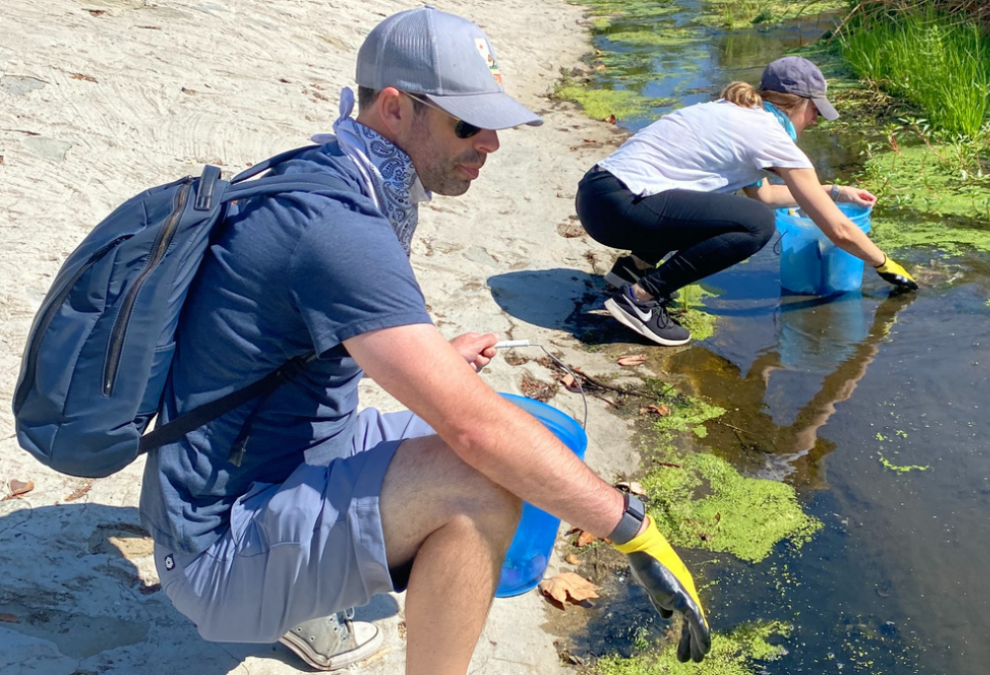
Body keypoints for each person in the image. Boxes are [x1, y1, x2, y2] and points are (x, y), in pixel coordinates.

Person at [140, 7, 709, 673]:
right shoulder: (340, 228)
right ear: (393, 109)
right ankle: (318, 606)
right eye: (468, 123)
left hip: (271, 462)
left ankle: (330, 582)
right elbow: (473, 432)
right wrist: (632, 530)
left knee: (534, 434)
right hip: (217, 546)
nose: (491, 142)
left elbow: (301, 339)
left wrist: (440, 356)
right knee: (484, 473)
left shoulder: (337, 171)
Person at [575, 55, 918, 347]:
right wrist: (886, 265)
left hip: (597, 196)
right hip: (622, 208)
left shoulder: (736, 114)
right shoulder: (769, 134)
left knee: (730, 207)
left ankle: (632, 270)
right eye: (816, 111)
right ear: (799, 104)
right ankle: (641, 299)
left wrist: (835, 191)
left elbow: (766, 194)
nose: (815, 121)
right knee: (757, 224)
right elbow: (838, 229)